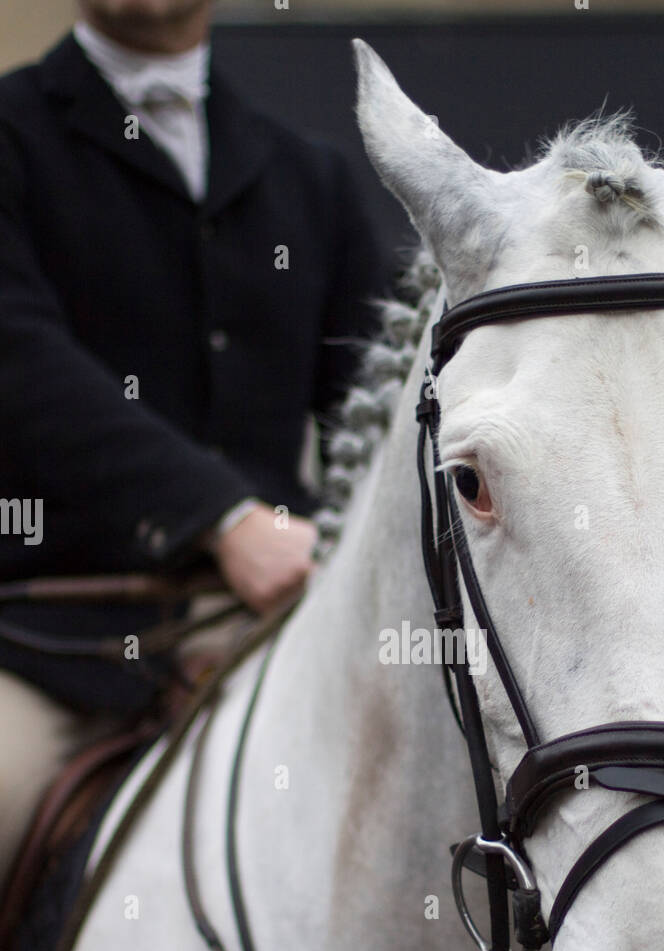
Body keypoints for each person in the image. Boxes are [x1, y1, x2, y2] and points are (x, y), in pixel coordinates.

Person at [0, 0, 387, 888]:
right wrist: (221, 518)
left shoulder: (312, 177)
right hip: (55, 645)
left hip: (281, 640)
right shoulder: (12, 141)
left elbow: (380, 407)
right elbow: (21, 366)